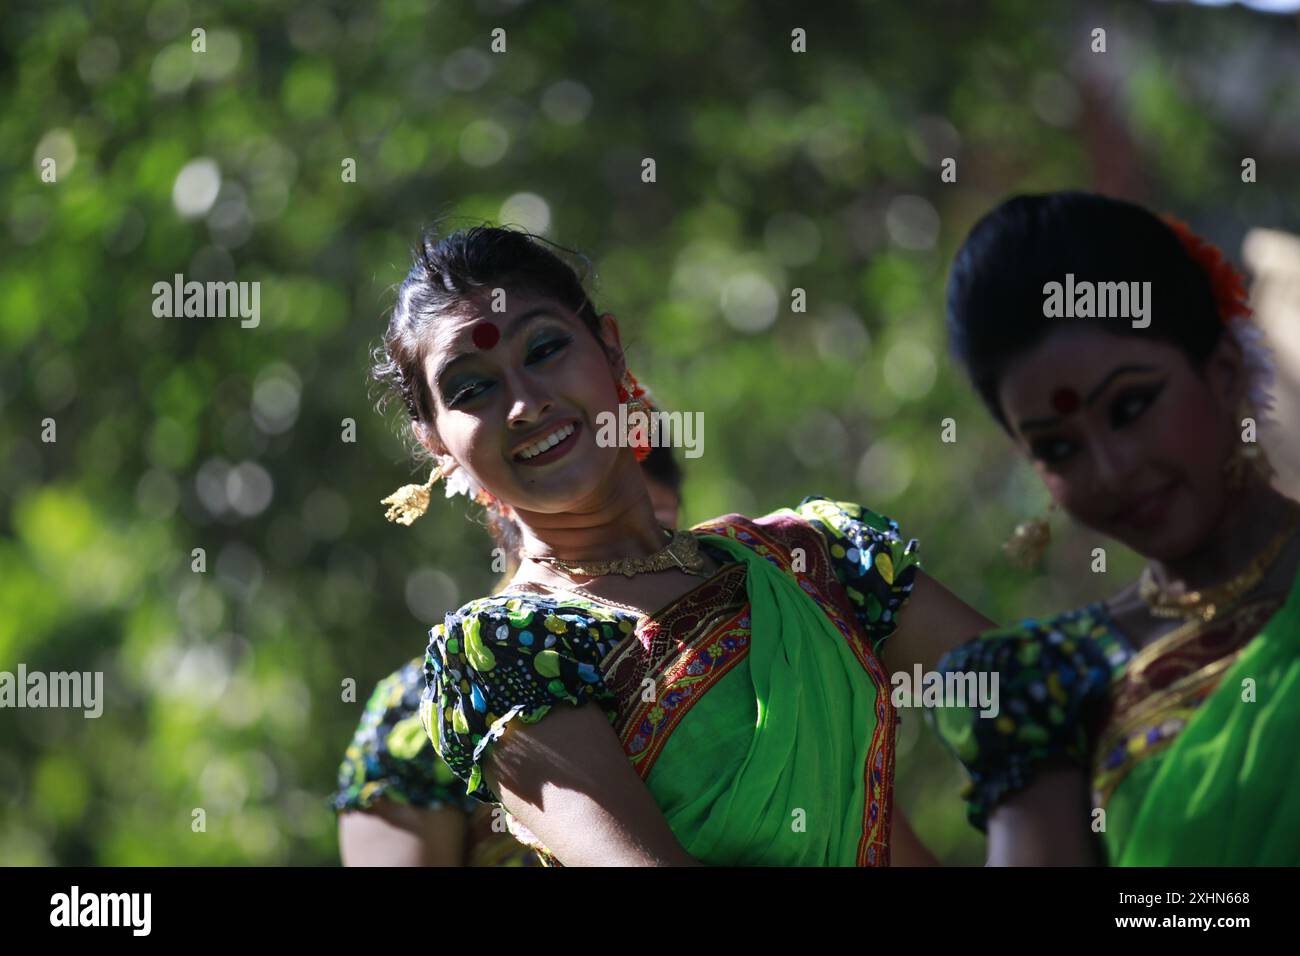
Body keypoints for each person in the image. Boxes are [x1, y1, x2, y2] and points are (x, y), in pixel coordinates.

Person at [371, 223, 993, 866]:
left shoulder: (816, 557)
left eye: (546, 348)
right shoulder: (514, 652)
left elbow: (1038, 702)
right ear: (436, 443)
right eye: (472, 389)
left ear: (611, 352)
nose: (525, 403)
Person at [933, 191, 1300, 865]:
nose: (1112, 469)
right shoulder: (1047, 685)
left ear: (1223, 371)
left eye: (1130, 407)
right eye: (1058, 448)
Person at [333, 446, 685, 866]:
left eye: (653, 517)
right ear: (505, 511)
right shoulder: (424, 707)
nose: (611, 535)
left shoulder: (742, 622)